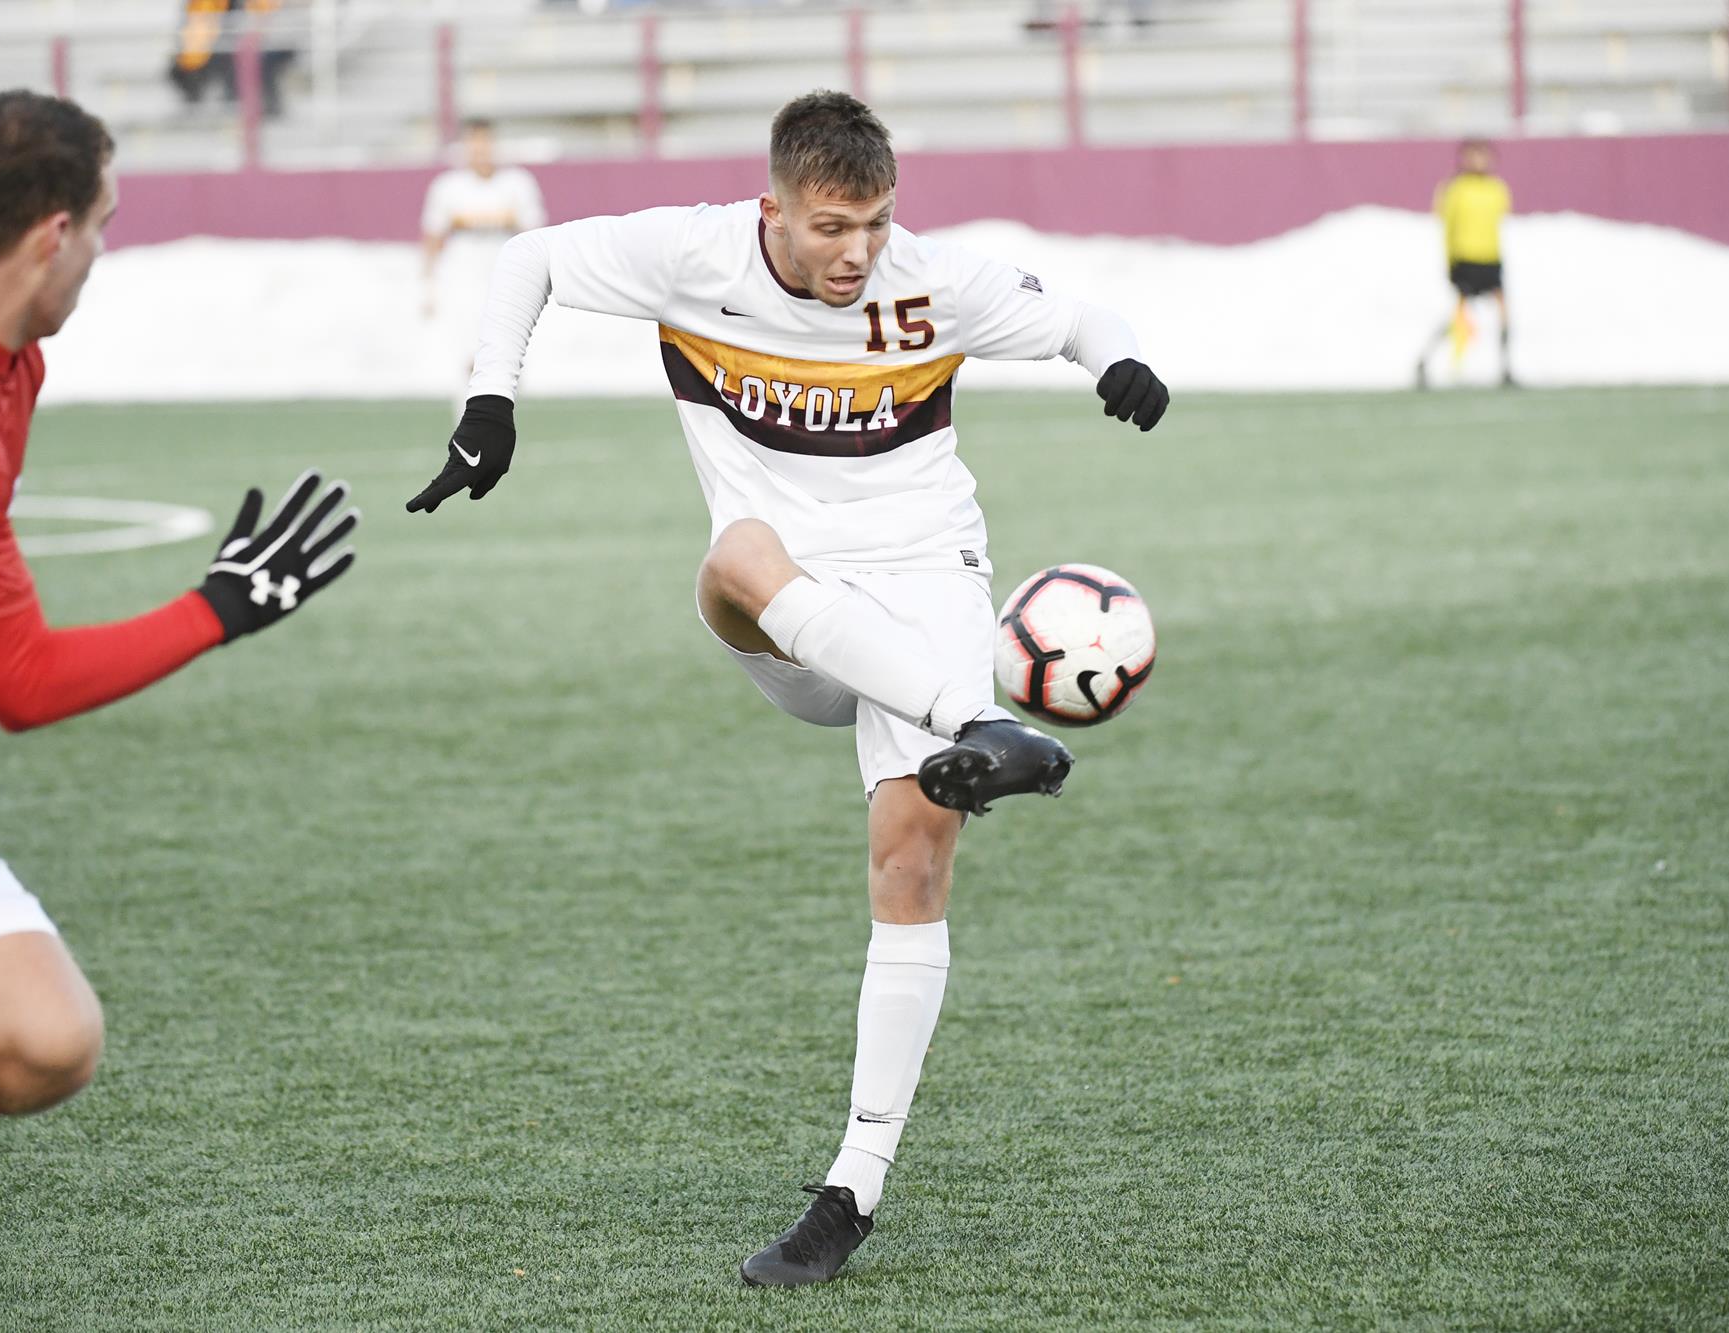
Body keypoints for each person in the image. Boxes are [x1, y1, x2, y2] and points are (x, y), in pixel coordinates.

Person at [406, 90, 1167, 1285]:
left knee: (910, 857)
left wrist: (1120, 361)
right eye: (828, 226)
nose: (855, 252)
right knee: (732, 560)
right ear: (775, 208)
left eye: (872, 222)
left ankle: (847, 1194)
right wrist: (488, 401)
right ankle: (977, 724)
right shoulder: (691, 255)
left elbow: (1077, 316)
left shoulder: (929, 280)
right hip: (791, 605)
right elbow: (526, 259)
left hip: (924, 580)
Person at [0, 91, 356, 1133]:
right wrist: (220, 607)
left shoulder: (8, 362)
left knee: (47, 1041)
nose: (103, 253)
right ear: (54, 232)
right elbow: (19, 686)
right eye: (106, 224)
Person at [420, 119, 548, 358]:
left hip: (505, 270)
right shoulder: (447, 186)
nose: (480, 150)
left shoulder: (518, 182)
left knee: (506, 346)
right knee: (468, 346)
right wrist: (428, 286)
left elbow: (534, 232)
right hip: (463, 273)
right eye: (474, 143)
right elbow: (433, 237)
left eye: (485, 143)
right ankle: (465, 395)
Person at [1415, 138, 1514, 389]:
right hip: (1465, 259)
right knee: (1459, 316)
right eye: (1472, 155)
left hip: (1490, 259)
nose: (1478, 160)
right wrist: (1451, 262)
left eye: (1482, 155)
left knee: (1504, 313)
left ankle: (1505, 368)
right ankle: (1425, 360)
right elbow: (1447, 226)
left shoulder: (1497, 188)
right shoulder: (1455, 189)